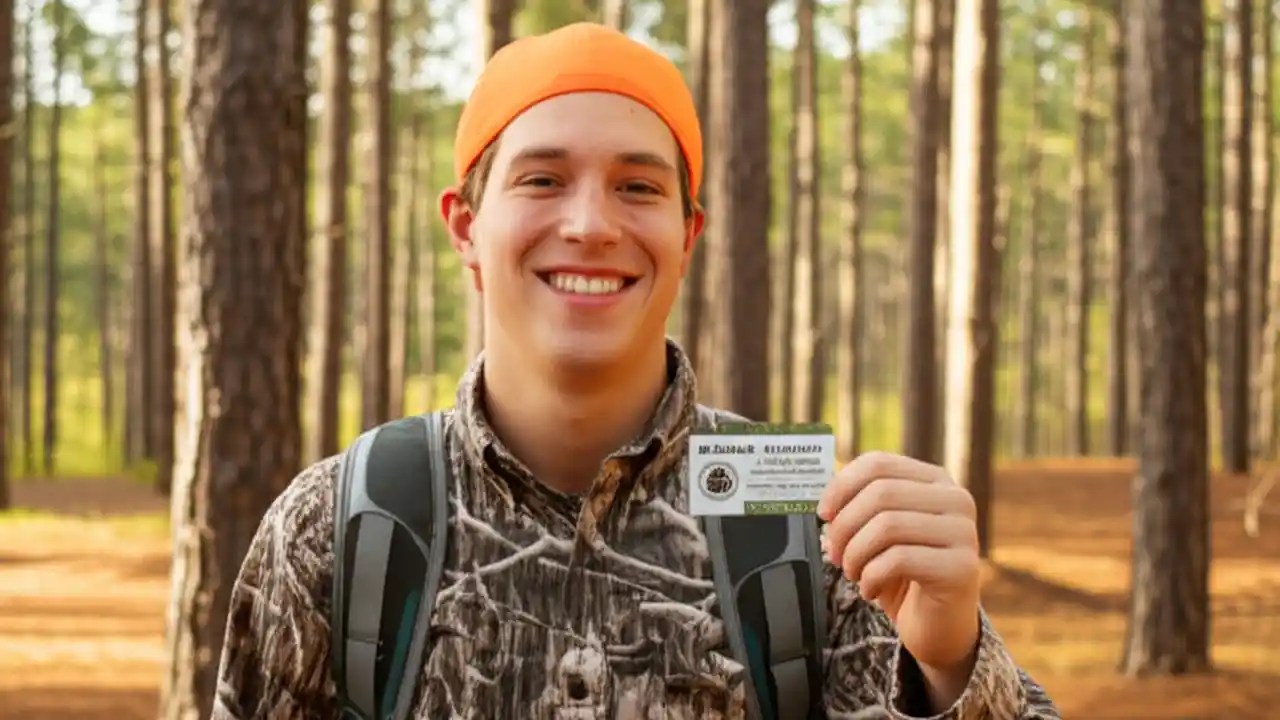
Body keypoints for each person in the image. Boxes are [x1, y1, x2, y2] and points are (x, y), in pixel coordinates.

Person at [213, 21, 1060, 719]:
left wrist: (949, 665)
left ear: (688, 235)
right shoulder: (341, 528)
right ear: (466, 227)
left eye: (639, 188)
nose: (589, 224)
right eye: (543, 179)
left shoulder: (812, 526)